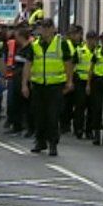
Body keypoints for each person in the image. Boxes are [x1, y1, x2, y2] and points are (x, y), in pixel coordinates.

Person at [21, 19, 73, 156]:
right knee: (39, 115)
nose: (42, 31)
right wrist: (24, 84)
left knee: (52, 115)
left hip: (55, 85)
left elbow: (68, 63)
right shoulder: (35, 45)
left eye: (45, 28)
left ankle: (53, 144)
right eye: (41, 28)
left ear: (52, 29)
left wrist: (69, 81)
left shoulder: (61, 44)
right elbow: (28, 65)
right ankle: (40, 141)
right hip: (38, 85)